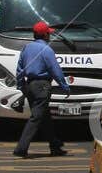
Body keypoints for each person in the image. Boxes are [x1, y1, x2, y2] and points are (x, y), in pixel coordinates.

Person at [13, 21, 69, 159]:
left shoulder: (26, 48)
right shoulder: (47, 50)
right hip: (42, 87)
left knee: (44, 117)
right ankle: (21, 148)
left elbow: (20, 69)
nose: (49, 36)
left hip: (29, 85)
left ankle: (55, 146)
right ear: (44, 35)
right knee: (36, 118)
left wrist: (21, 86)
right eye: (48, 34)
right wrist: (64, 86)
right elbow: (55, 70)